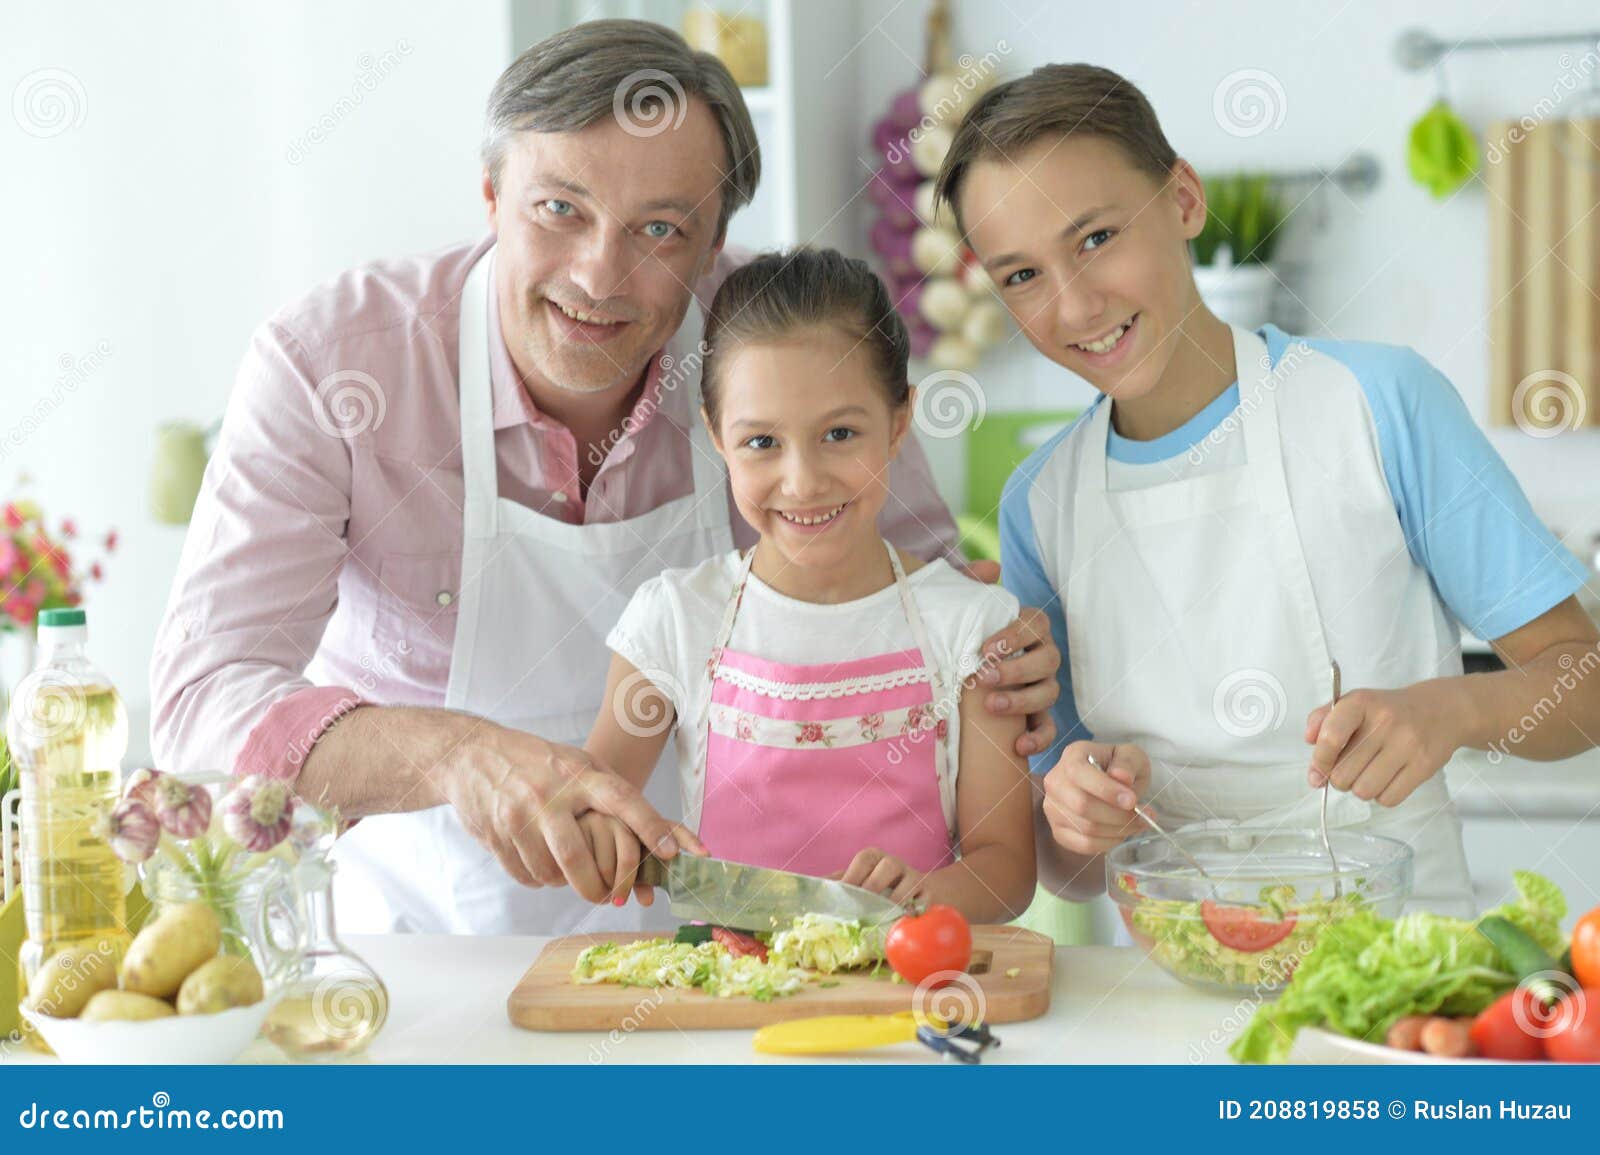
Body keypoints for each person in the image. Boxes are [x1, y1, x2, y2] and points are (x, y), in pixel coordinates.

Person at [150, 21, 1063, 936]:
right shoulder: (333, 369)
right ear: (492, 195)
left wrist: (1007, 660)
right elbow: (202, 700)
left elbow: (927, 610)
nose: (599, 275)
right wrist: (454, 756)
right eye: (559, 210)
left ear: (713, 250)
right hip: (421, 947)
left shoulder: (790, 354)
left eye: (661, 229)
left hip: (735, 951)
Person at [933, 63, 1600, 917]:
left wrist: (1456, 707)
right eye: (1021, 275)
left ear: (1183, 201)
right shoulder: (1037, 508)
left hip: (1397, 980)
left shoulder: (1377, 404)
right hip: (1168, 994)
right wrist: (1074, 808)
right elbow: (1071, 869)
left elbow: (1581, 687)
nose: (1073, 305)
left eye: (1096, 237)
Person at [579, 249, 1037, 923]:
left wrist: (916, 897)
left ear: (899, 425)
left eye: (840, 433)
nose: (802, 481)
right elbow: (593, 813)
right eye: (762, 442)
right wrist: (627, 843)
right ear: (716, 436)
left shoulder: (971, 625)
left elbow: (1007, 871)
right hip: (731, 1008)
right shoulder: (675, 619)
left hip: (911, 1003)